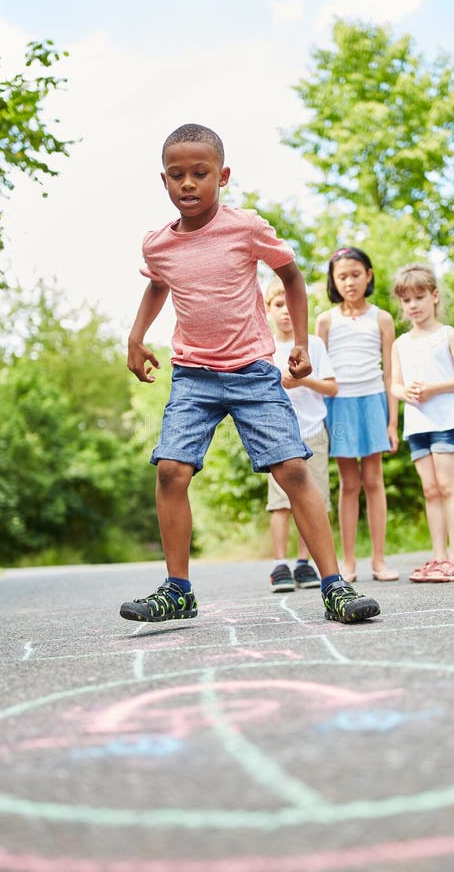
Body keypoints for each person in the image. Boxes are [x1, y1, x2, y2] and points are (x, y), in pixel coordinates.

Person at [120, 123, 381, 625]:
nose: (189, 184)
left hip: (252, 371)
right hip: (194, 373)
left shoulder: (245, 227)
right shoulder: (159, 245)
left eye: (201, 173)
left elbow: (291, 275)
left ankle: (334, 585)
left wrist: (300, 344)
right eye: (178, 176)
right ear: (164, 181)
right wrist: (136, 336)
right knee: (171, 470)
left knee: (292, 469)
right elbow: (158, 286)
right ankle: (177, 589)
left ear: (224, 176)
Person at [391, 263, 454, 583]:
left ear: (434, 296)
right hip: (417, 425)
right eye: (406, 300)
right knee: (430, 490)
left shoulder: (448, 335)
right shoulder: (400, 343)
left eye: (419, 297)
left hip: (448, 419)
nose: (413, 305)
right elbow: (394, 385)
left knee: (447, 486)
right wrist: (407, 393)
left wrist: (433, 388)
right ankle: (439, 556)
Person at [316, 247, 399, 583]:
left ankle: (379, 561)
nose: (349, 282)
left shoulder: (382, 318)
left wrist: (393, 422)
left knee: (374, 481)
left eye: (355, 274)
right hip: (340, 406)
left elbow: (391, 374)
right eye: (342, 276)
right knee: (349, 483)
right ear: (334, 281)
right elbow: (320, 372)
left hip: (373, 402)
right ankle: (347, 562)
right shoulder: (325, 320)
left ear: (369, 275)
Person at [264, 277, 337, 593]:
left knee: (314, 499)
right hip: (277, 432)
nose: (285, 312)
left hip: (313, 431)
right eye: (278, 306)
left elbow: (332, 387)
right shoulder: (262, 346)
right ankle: (279, 564)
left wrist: (304, 381)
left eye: (289, 305)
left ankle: (304, 563)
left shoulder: (313, 345)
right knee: (280, 502)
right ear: (267, 310)